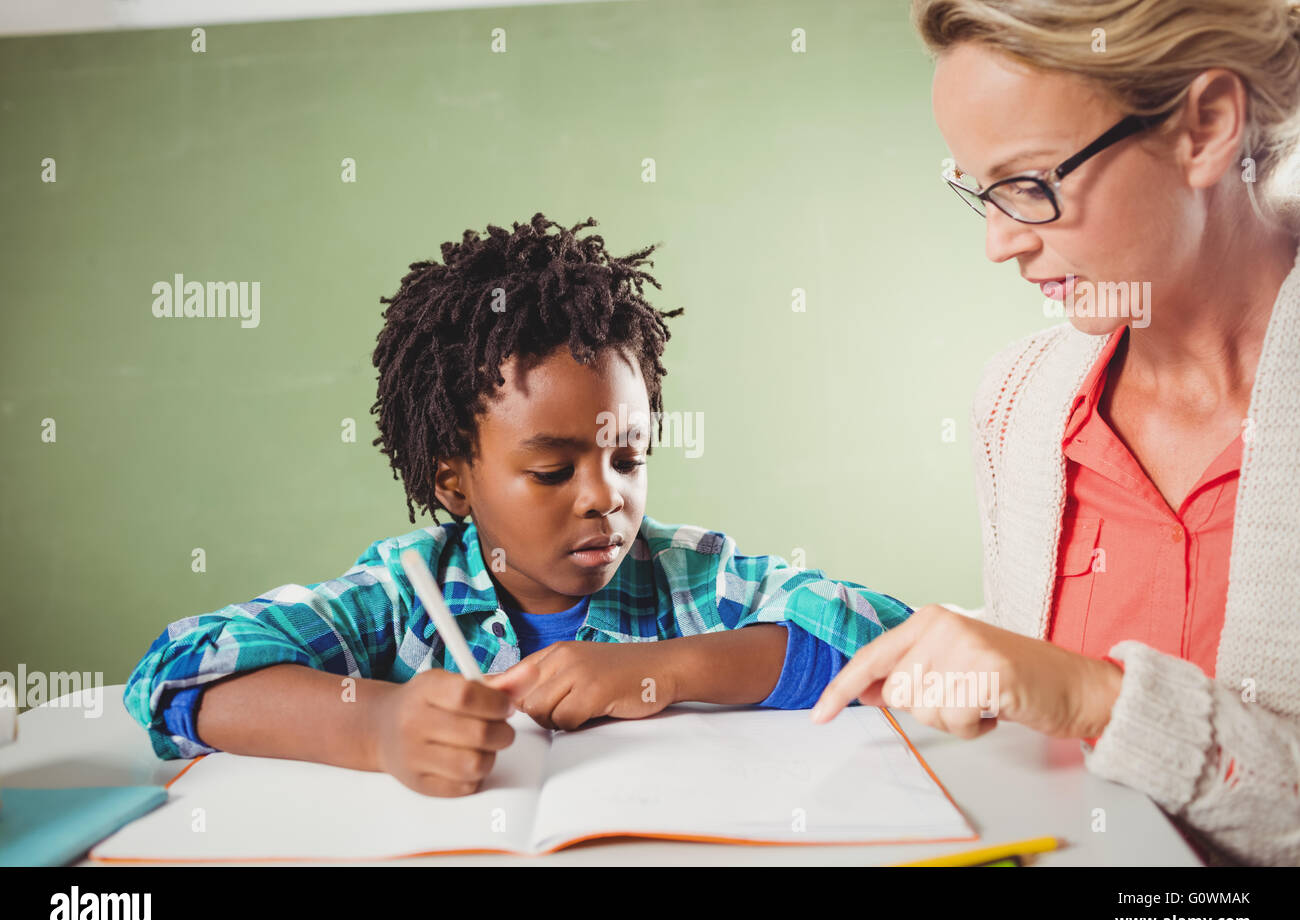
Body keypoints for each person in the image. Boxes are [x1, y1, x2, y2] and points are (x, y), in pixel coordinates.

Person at [123, 213, 911, 798]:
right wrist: (378, 727)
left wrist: (664, 669)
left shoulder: (691, 579)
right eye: (551, 471)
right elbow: (176, 674)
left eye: (628, 458)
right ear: (452, 480)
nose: (606, 496)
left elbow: (893, 643)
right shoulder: (403, 597)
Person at [814, 0, 1300, 866]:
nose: (1000, 243)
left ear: (1206, 126)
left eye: (1032, 183)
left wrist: (1098, 699)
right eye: (980, 191)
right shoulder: (1021, 401)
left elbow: (1077, 695)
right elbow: (1035, 700)